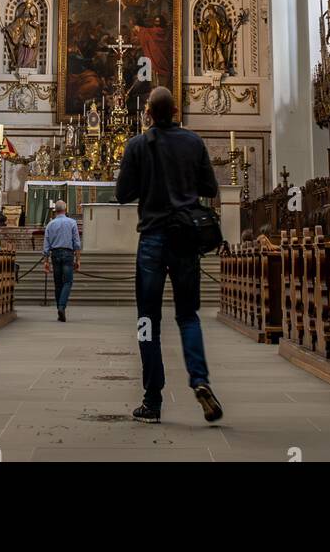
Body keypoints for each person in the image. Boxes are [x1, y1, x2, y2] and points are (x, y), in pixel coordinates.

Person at [115, 85, 223, 425]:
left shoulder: (137, 146)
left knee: (148, 320)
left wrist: (146, 181)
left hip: (152, 238)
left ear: (148, 113)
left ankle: (152, 399)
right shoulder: (193, 142)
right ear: (176, 112)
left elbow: (122, 194)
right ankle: (200, 380)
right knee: (188, 315)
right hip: (185, 238)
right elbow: (211, 189)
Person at [42, 199, 81, 321]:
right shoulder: (72, 222)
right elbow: (77, 243)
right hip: (68, 254)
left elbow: (46, 244)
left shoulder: (50, 224)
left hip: (55, 254)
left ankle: (60, 307)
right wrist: (78, 259)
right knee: (68, 282)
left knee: (58, 283)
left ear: (55, 211)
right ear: (65, 209)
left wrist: (46, 261)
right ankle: (61, 307)